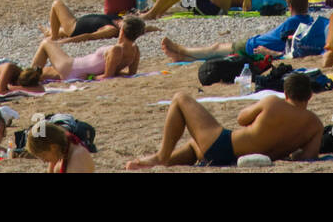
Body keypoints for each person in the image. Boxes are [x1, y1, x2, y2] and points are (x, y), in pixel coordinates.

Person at [126, 72, 322, 169]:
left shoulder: (273, 102)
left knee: (180, 99)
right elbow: (308, 156)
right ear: (310, 96)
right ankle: (163, 164)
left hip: (227, 147)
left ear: (286, 93)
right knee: (195, 145)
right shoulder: (315, 125)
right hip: (238, 159)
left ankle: (160, 157)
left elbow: (241, 119)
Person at [161, 0, 315, 62]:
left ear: (289, 5)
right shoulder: (309, 23)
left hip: (253, 47)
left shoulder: (291, 22)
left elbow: (290, 50)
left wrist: (270, 53)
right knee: (219, 50)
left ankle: (183, 51)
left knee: (216, 48)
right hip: (258, 44)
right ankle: (183, 54)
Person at [31, 17, 143, 81]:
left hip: (73, 68)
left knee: (47, 42)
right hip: (75, 68)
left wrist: (90, 77)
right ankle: (30, 76)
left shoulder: (117, 50)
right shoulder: (135, 50)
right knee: (46, 72)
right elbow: (131, 74)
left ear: (122, 31)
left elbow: (107, 76)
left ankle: (29, 76)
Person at [27, 119, 95, 173]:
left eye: (43, 155)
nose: (44, 161)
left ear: (53, 147)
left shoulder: (78, 156)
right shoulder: (59, 152)